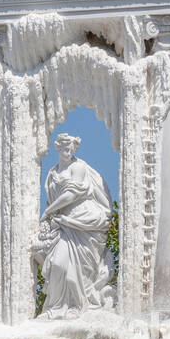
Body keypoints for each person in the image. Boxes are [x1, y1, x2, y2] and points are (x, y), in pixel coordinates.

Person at [31, 132, 115, 316]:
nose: (69, 152)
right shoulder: (53, 173)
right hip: (63, 223)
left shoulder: (78, 167)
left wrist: (48, 211)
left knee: (79, 269)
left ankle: (77, 307)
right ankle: (56, 308)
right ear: (58, 148)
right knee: (59, 264)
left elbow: (72, 195)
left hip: (82, 219)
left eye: (72, 149)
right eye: (65, 149)